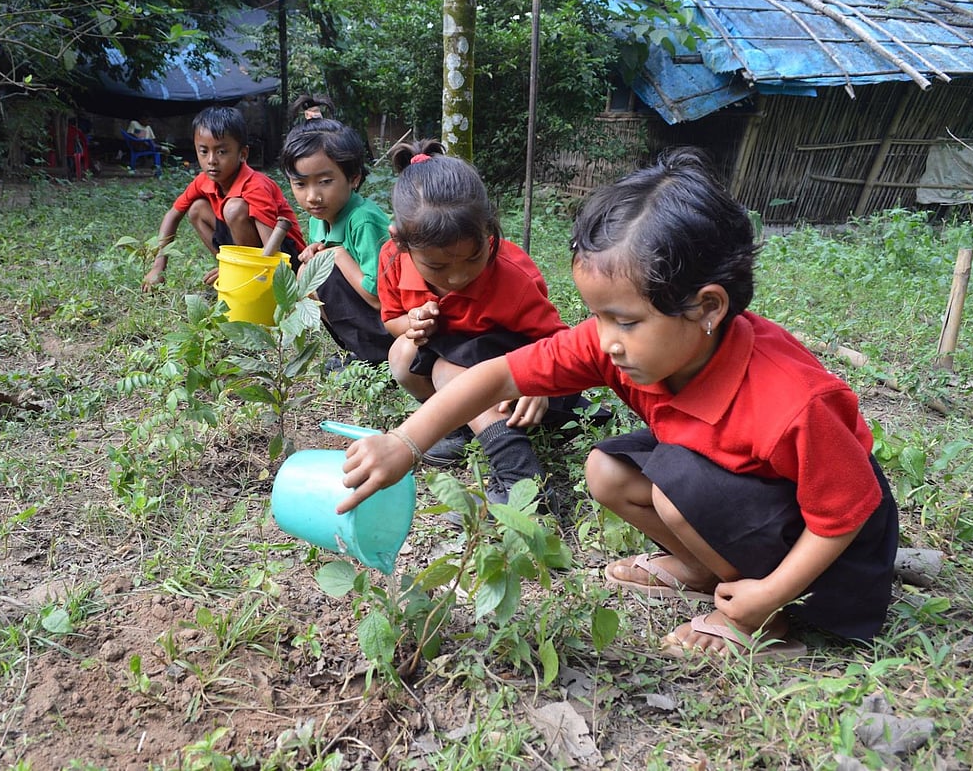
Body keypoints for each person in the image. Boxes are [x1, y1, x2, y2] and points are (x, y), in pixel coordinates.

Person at [338, 148, 899, 660]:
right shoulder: (621, 344)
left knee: (675, 487)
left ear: (708, 307)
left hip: (833, 555)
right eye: (597, 315)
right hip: (738, 487)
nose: (604, 340)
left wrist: (770, 595)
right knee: (607, 470)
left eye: (625, 321)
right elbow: (496, 375)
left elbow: (845, 513)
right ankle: (702, 568)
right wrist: (406, 441)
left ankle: (760, 617)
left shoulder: (794, 399)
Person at [374, 139, 581, 506]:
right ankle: (459, 428)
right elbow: (392, 320)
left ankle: (522, 479)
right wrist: (413, 324)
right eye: (438, 266)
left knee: (445, 369)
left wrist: (538, 382)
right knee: (403, 354)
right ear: (401, 242)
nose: (457, 277)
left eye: (473, 259)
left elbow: (560, 345)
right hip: (463, 369)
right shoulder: (392, 259)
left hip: (522, 390)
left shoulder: (512, 277)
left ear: (489, 231)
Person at [142, 106, 305, 291]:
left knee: (234, 209)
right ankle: (230, 269)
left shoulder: (256, 186)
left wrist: (244, 269)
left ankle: (242, 276)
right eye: (204, 151)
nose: (211, 160)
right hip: (255, 251)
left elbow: (273, 248)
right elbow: (173, 215)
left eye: (221, 152)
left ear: (243, 154)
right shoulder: (203, 181)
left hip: (286, 257)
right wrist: (158, 267)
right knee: (197, 209)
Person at [280, 119, 392, 364]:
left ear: (353, 178)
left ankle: (377, 357)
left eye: (325, 182)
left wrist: (337, 255)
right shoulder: (318, 220)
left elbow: (379, 298)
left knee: (320, 273)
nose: (312, 196)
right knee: (307, 273)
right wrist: (318, 251)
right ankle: (358, 351)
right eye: (300, 184)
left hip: (396, 326)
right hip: (367, 317)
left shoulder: (363, 221)